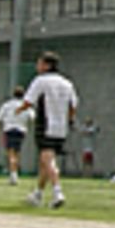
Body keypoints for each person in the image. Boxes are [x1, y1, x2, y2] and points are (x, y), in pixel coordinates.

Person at [17, 51, 79, 208]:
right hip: (61, 127)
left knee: (48, 160)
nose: (37, 66)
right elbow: (73, 106)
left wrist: (16, 111)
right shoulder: (67, 83)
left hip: (45, 124)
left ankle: (58, 191)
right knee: (45, 160)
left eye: (40, 63)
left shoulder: (41, 81)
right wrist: (70, 121)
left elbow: (28, 102)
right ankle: (37, 194)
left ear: (47, 65)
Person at [0, 87, 33, 184]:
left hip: (9, 130)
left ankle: (13, 175)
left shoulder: (7, 105)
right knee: (17, 152)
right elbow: (32, 118)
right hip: (21, 131)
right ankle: (15, 172)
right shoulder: (26, 106)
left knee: (11, 153)